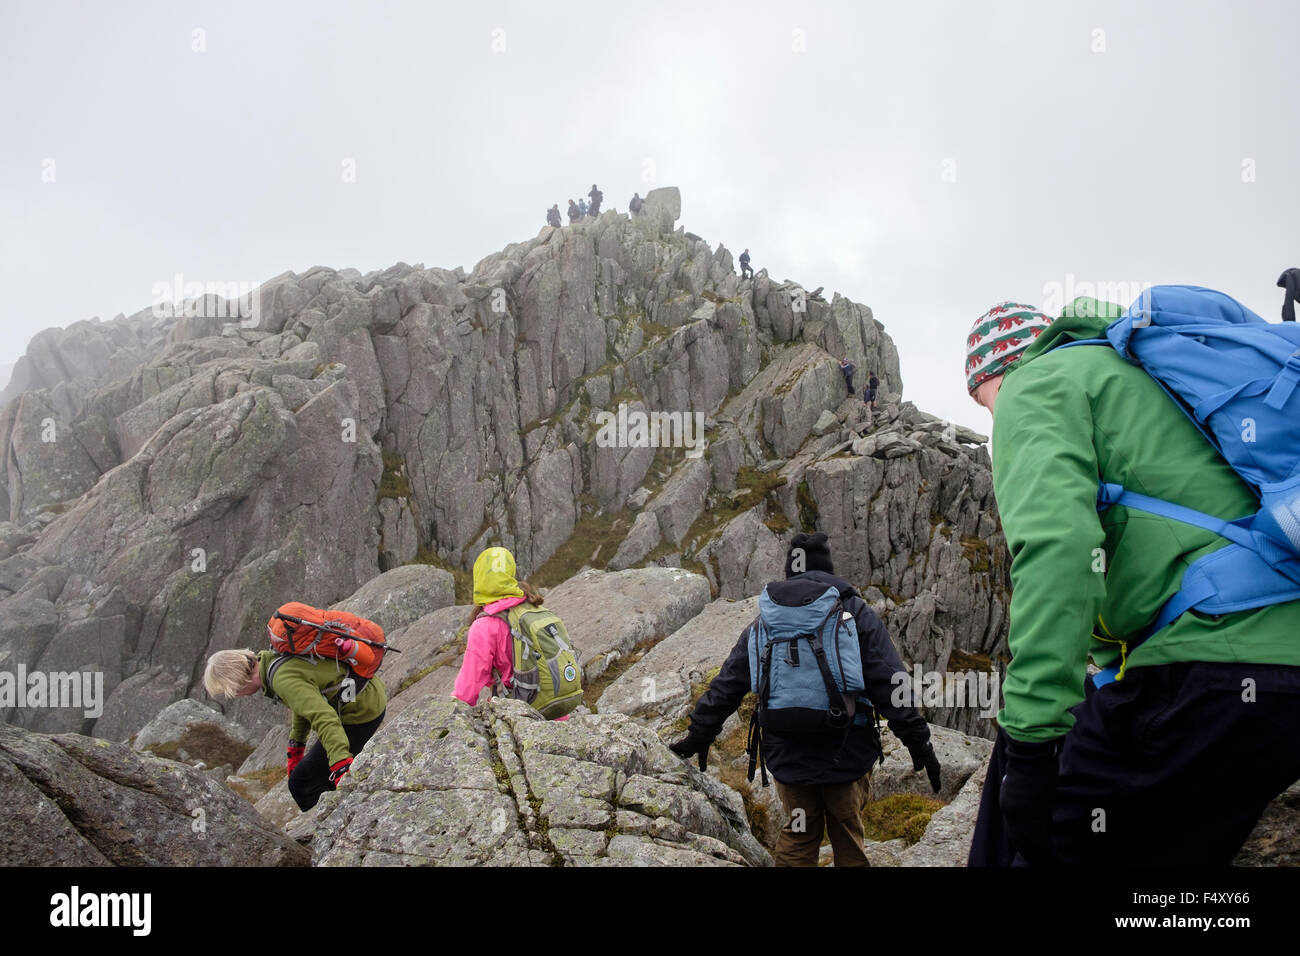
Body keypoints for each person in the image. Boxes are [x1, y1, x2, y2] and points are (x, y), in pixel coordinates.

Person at [963, 298, 1300, 866]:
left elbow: (1059, 550)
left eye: (984, 404)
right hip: (1268, 662)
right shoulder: (1140, 373)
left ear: (997, 373)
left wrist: (1029, 740)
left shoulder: (1035, 385)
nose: (994, 420)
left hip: (1212, 666)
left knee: (1045, 844)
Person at [669, 532, 941, 867]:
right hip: (845, 753)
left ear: (790, 571)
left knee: (799, 834)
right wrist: (917, 739)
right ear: (827, 569)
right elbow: (890, 680)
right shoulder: (853, 610)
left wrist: (699, 733)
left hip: (790, 758)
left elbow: (728, 682)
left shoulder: (767, 619)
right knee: (847, 838)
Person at [203, 635, 387, 812]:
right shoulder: (273, 660)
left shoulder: (282, 679)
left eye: (230, 691)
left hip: (361, 713)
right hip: (365, 695)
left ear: (236, 681)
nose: (235, 695)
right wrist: (296, 745)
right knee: (309, 774)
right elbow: (302, 704)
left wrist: (341, 765)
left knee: (302, 783)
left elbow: (324, 717)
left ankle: (343, 817)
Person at [452, 546, 582, 718]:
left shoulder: (485, 625)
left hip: (522, 716)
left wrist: (450, 716)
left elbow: (467, 690)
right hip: (555, 711)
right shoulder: (530, 606)